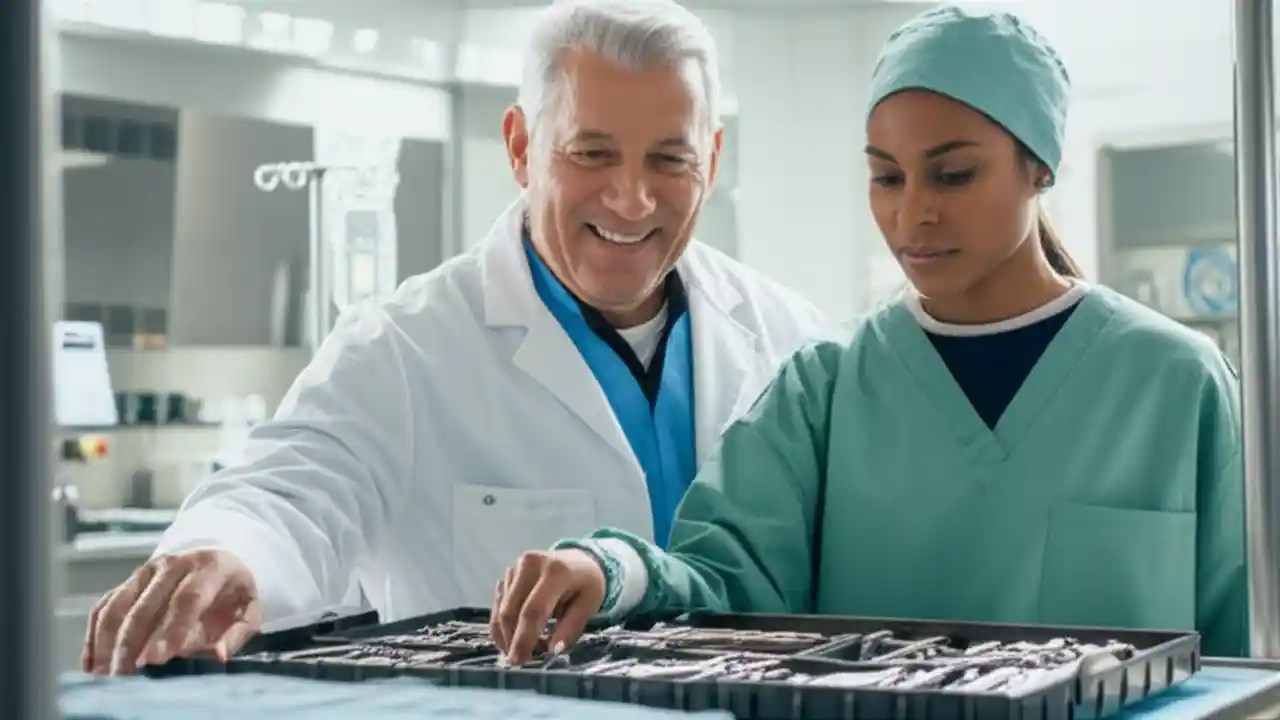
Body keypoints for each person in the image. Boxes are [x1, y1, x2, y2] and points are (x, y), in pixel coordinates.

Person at [82, 0, 827, 676]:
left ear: (713, 159)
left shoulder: (790, 338)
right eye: (591, 153)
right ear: (519, 146)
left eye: (669, 158)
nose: (631, 198)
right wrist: (224, 555)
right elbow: (290, 490)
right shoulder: (405, 350)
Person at [491, 5, 1249, 667]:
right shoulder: (824, 386)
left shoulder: (1174, 384)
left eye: (952, 176)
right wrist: (611, 567)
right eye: (887, 177)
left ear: (1039, 168)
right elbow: (725, 586)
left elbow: (1245, 653)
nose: (912, 214)